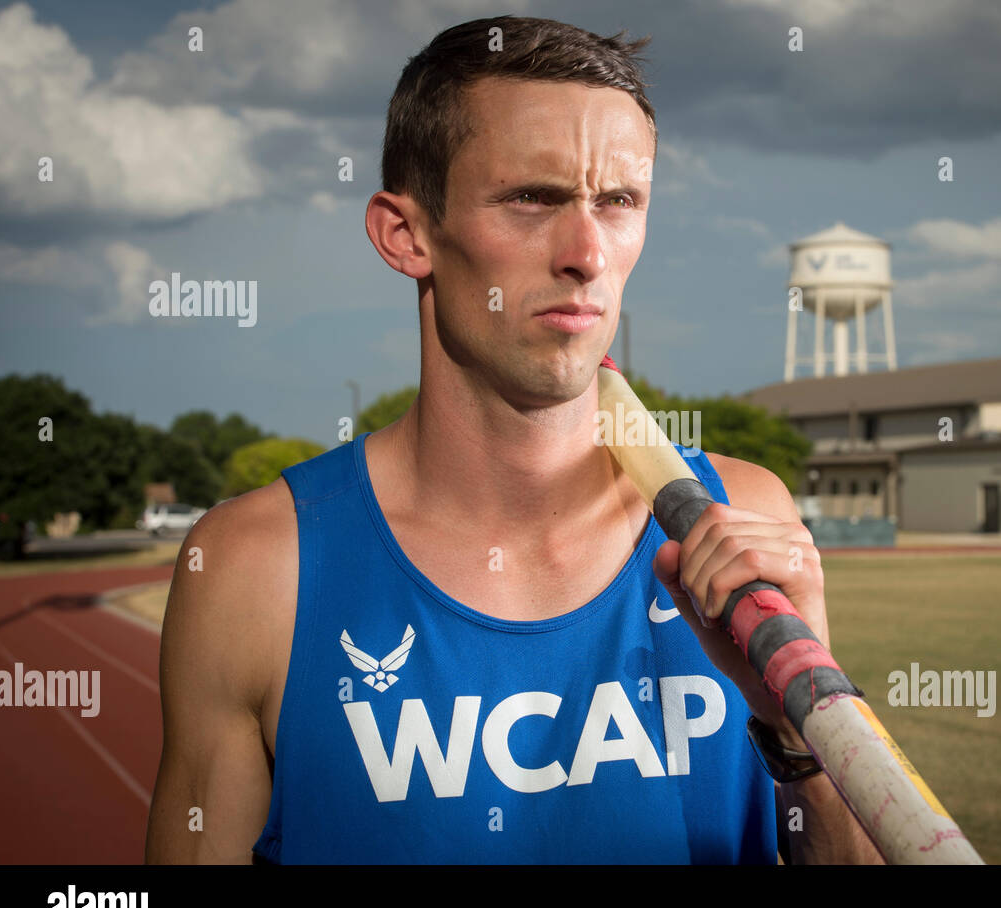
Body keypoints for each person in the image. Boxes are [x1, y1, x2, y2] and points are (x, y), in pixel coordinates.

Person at [145, 15, 882, 865]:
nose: (587, 252)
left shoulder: (742, 516)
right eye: (532, 198)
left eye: (619, 202)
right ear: (406, 234)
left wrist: (798, 727)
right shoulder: (254, 570)